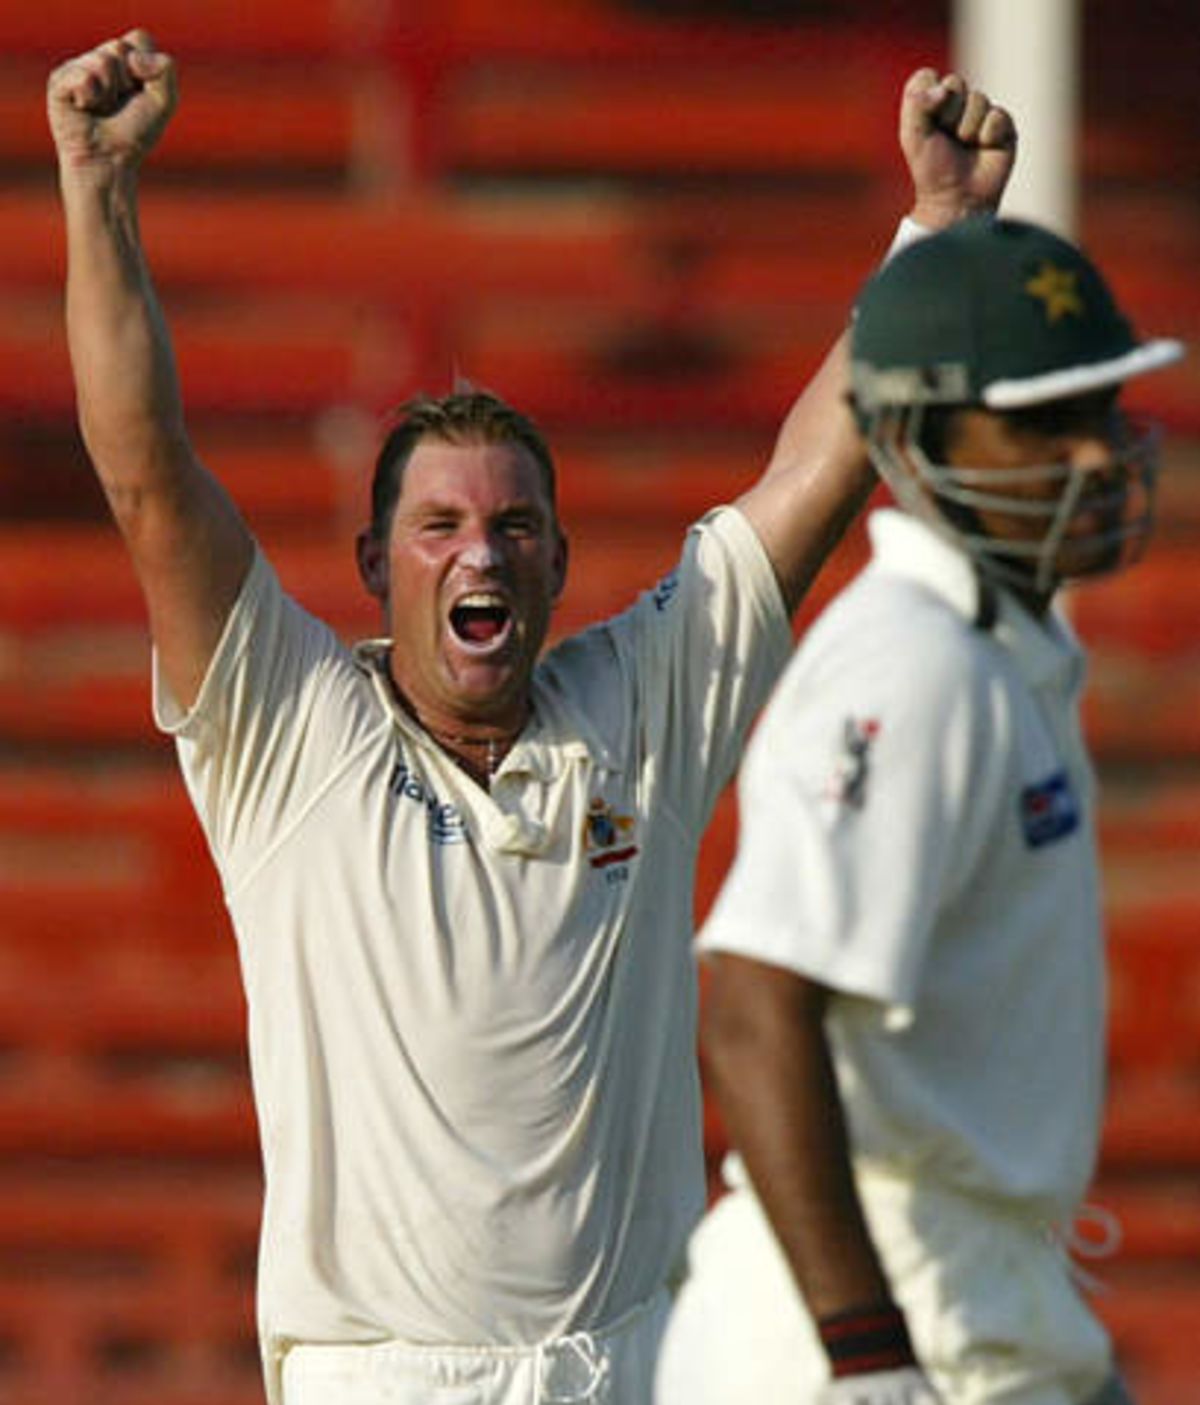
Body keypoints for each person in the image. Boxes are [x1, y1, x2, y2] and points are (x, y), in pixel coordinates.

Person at [47, 27, 1016, 1405]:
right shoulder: (289, 730)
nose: (482, 556)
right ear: (378, 568)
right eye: (438, 528)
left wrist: (936, 232)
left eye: (515, 527)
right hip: (381, 1376)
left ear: (560, 561)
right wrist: (97, 188)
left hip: (632, 1364)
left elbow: (818, 467)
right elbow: (146, 475)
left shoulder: (643, 704)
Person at [654, 216, 1185, 1405]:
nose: (1095, 456)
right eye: (1041, 422)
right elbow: (751, 1002)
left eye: (1097, 411)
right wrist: (863, 1354)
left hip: (979, 1298)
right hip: (865, 1318)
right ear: (914, 437)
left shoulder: (1003, 647)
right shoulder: (912, 663)